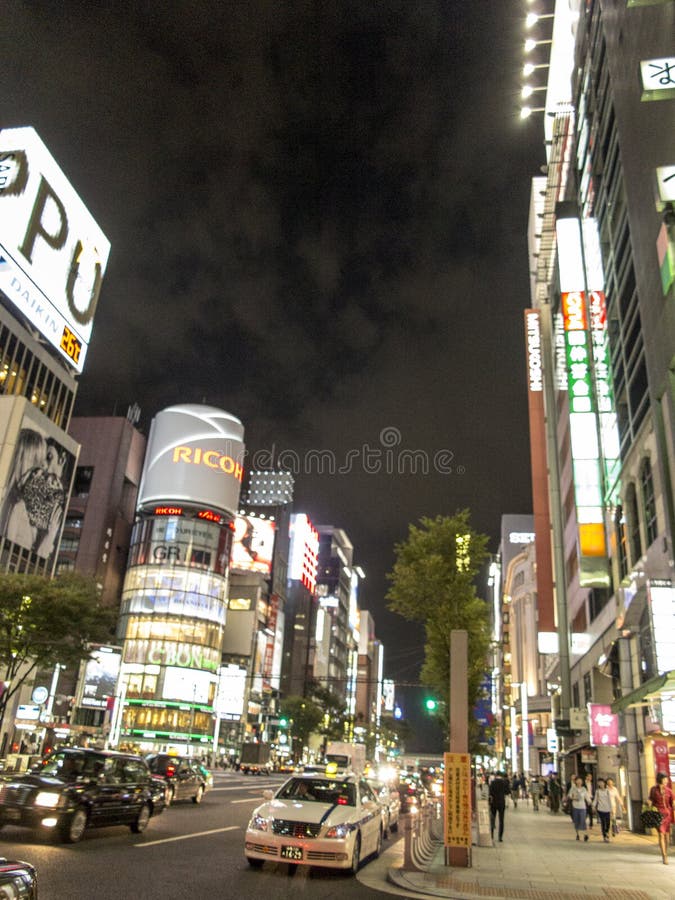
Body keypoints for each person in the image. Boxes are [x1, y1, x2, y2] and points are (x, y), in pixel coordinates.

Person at [648, 772, 674, 865]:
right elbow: (650, 799)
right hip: (658, 815)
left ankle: (665, 852)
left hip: (668, 815)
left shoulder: (669, 791)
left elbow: (673, 803)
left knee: (667, 836)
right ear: (660, 780)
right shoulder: (653, 790)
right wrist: (648, 805)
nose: (666, 781)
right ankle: (664, 856)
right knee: (661, 834)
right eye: (665, 779)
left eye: (667, 779)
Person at [489, 771, 511, 842]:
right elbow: (508, 792)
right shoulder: (504, 782)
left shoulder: (492, 782)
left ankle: (491, 835)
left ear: (496, 775)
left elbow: (490, 793)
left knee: (493, 819)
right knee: (501, 820)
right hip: (501, 802)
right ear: (501, 776)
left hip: (494, 803)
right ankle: (500, 837)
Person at [568, 775, 592, 841]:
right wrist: (574, 798)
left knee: (583, 820)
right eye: (577, 780)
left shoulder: (584, 789)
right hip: (575, 806)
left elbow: (587, 797)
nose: (579, 781)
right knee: (576, 821)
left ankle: (585, 834)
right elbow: (569, 796)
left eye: (580, 780)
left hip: (583, 807)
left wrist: (590, 802)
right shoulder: (573, 788)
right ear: (575, 781)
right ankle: (578, 834)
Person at [593, 778, 612, 842]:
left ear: (604, 783)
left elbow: (609, 800)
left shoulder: (607, 791)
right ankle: (605, 836)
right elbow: (595, 800)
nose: (601, 784)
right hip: (600, 809)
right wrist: (593, 806)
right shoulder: (597, 791)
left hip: (607, 809)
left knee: (608, 823)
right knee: (603, 823)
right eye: (599, 783)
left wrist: (611, 808)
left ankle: (607, 832)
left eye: (602, 782)